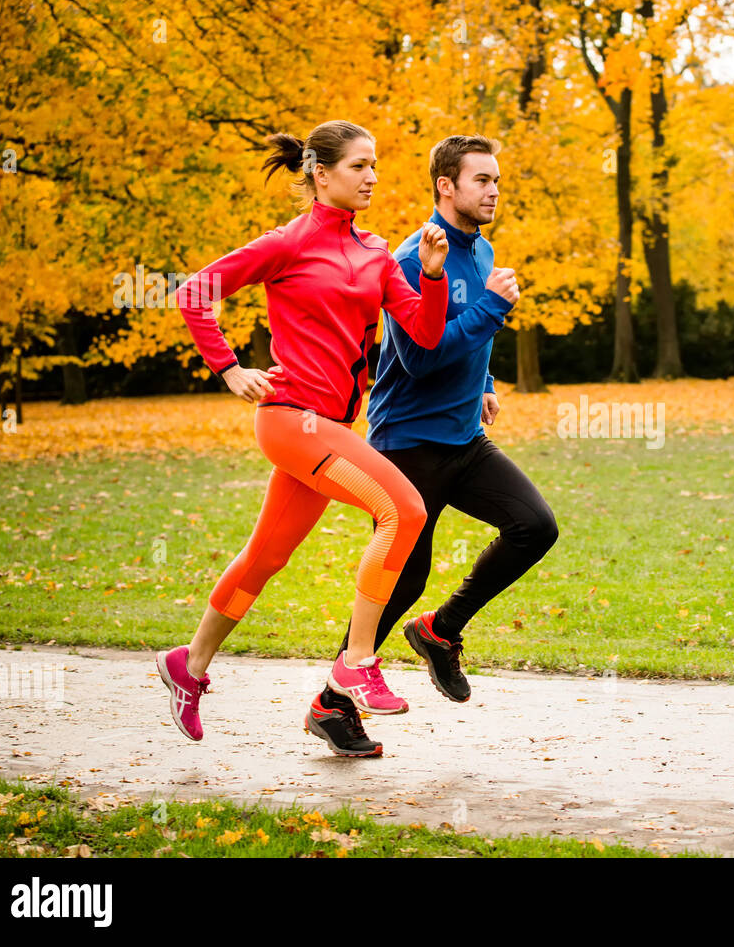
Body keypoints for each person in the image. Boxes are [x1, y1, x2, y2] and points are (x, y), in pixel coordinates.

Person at [154, 120, 450, 746]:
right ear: (321, 173)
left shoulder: (375, 251)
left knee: (267, 556)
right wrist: (230, 368)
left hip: (332, 427)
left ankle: (190, 665)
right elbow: (196, 292)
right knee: (404, 510)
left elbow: (423, 334)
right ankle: (356, 664)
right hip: (291, 420)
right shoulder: (286, 243)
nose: (372, 177)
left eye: (375, 165)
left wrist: (430, 273)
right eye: (358, 166)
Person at [303, 134, 559, 758]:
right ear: (446, 186)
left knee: (535, 526)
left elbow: (467, 338)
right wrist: (494, 311)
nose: (493, 190)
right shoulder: (420, 256)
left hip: (463, 439)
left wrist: (487, 383)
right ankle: (332, 703)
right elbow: (417, 357)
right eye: (481, 180)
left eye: (496, 179)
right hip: (407, 444)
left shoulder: (483, 248)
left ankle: (441, 633)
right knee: (403, 579)